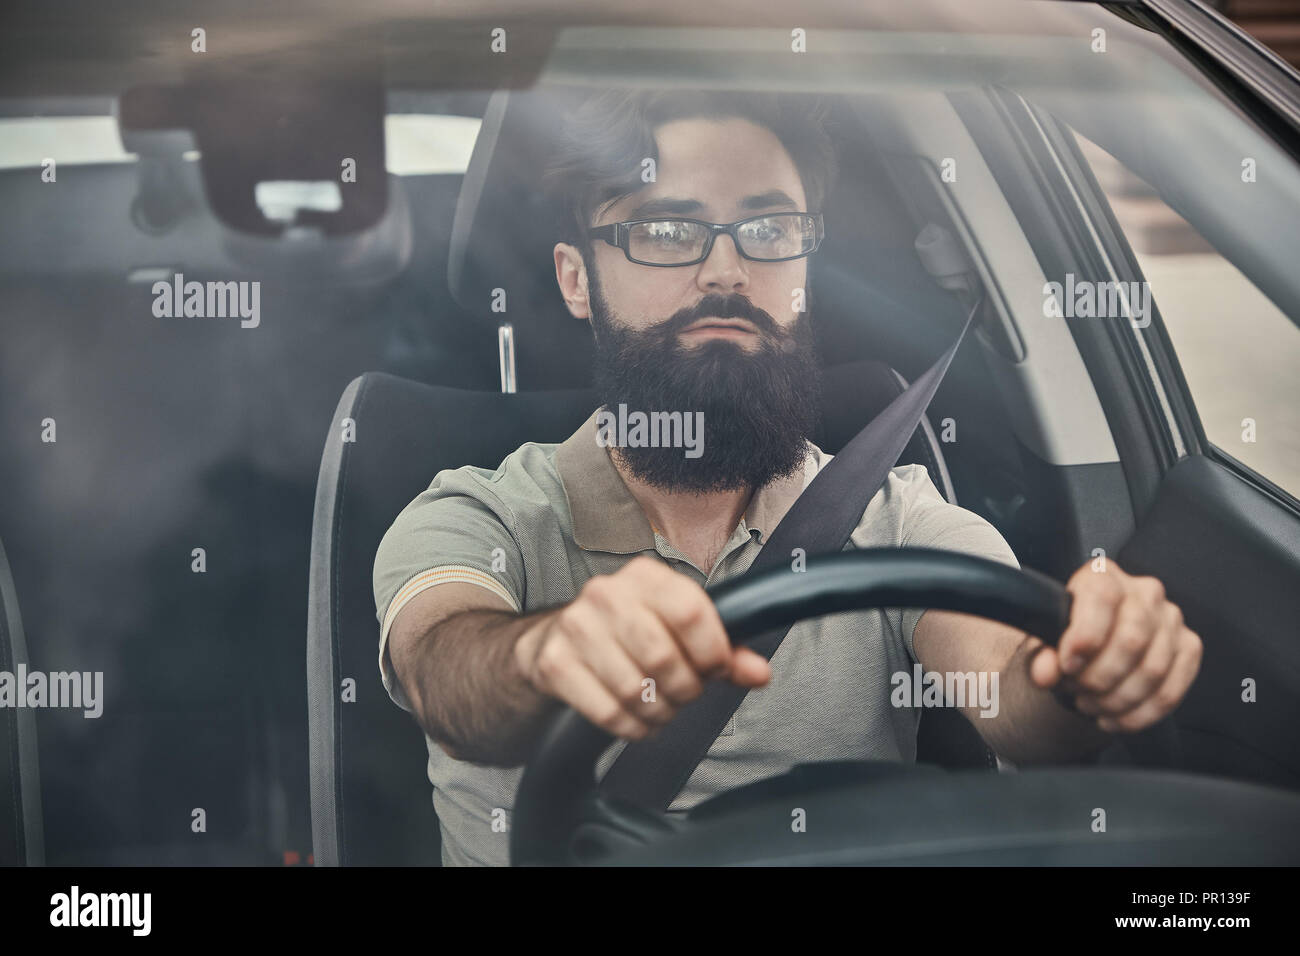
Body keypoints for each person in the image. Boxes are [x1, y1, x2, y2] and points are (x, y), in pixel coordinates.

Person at [372, 89, 1202, 866]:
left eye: (768, 231)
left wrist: (1080, 676)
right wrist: (548, 655)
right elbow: (446, 669)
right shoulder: (481, 516)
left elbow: (1012, 687)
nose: (727, 272)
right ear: (576, 278)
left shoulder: (896, 515)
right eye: (667, 231)